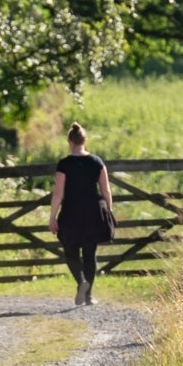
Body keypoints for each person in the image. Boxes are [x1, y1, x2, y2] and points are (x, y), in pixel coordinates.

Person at [48, 123, 113, 307]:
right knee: (90, 253)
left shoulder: (64, 164)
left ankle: (81, 281)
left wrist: (52, 217)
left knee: (71, 251)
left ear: (69, 141)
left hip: (71, 212)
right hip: (93, 212)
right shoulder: (97, 162)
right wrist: (108, 211)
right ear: (85, 141)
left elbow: (58, 194)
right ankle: (89, 296)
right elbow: (106, 190)